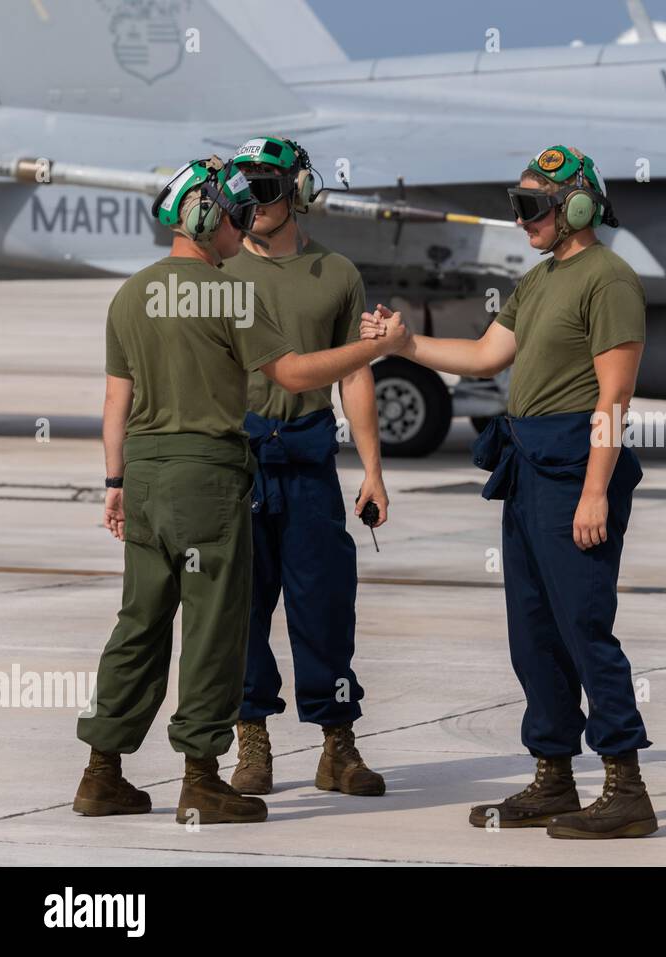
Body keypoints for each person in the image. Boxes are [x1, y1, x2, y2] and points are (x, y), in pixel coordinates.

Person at [74, 156, 408, 825]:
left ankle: (102, 772)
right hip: (211, 473)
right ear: (205, 219)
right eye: (231, 213)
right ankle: (202, 776)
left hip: (144, 474)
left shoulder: (130, 293)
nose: (242, 221)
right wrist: (377, 349)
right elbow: (293, 372)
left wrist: (114, 481)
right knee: (216, 627)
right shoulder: (228, 293)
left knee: (139, 624)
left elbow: (116, 399)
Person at [361, 145, 657, 839]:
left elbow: (614, 395)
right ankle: (553, 775)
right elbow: (484, 356)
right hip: (526, 468)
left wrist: (595, 492)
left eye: (531, 206)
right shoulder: (538, 279)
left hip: (573, 470)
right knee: (534, 632)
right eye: (517, 205)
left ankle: (626, 786)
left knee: (585, 628)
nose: (520, 219)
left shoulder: (608, 280)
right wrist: (404, 345)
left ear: (575, 207)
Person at [221, 135, 387, 798]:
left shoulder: (339, 274)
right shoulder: (217, 272)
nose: (252, 201)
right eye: (243, 187)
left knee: (325, 607)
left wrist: (372, 467)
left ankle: (337, 743)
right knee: (239, 608)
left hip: (311, 455)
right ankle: (251, 737)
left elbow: (355, 375)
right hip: (238, 459)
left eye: (266, 187)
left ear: (299, 192)